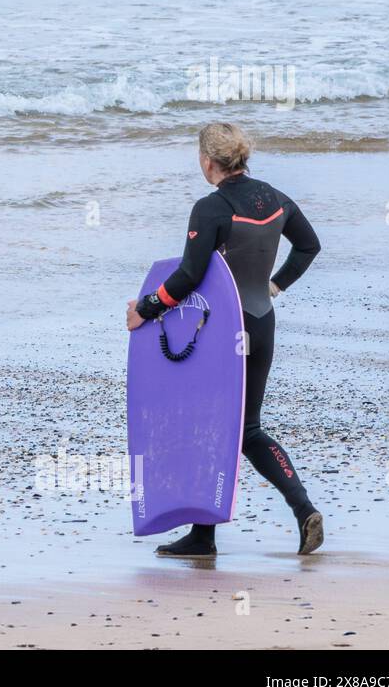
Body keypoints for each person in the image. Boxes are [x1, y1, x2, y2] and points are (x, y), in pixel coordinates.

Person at [126, 122, 324, 556]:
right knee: (247, 427)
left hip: (221, 334)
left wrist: (146, 309)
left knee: (209, 424)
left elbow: (188, 276)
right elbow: (309, 245)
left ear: (207, 161)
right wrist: (275, 285)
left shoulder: (210, 208)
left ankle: (205, 536)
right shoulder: (275, 197)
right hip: (261, 323)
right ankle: (300, 509)